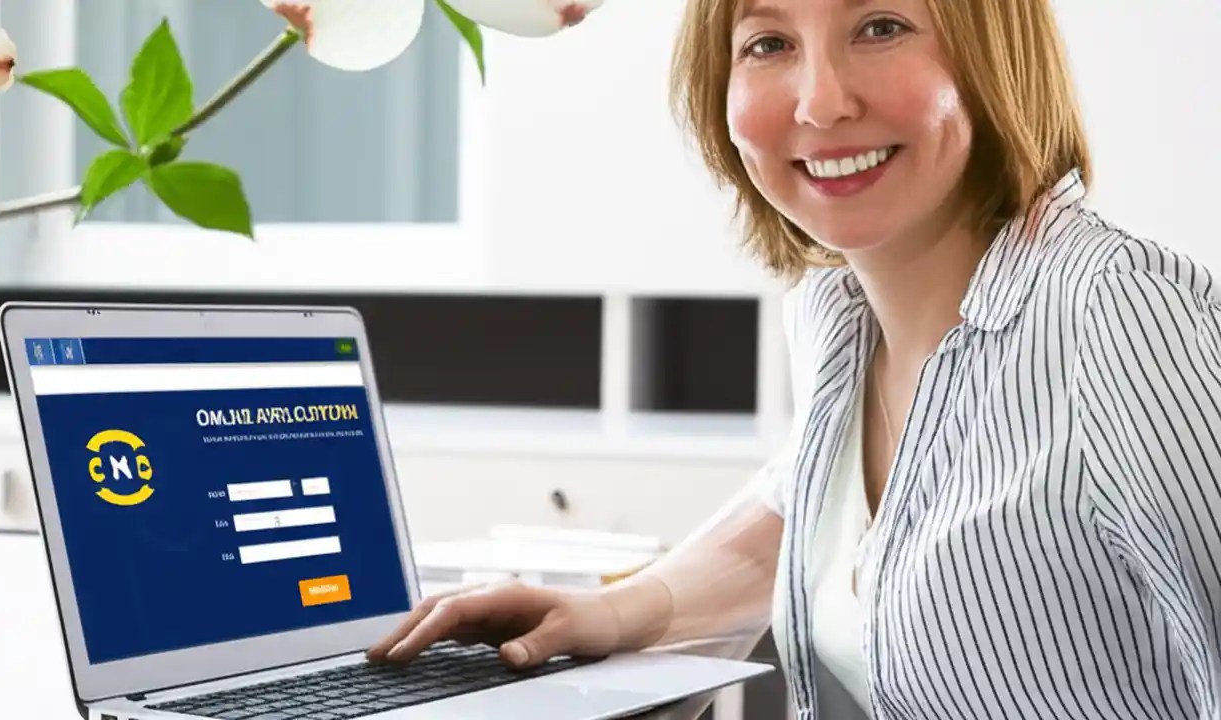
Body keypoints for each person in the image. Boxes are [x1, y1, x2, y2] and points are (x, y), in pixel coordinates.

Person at [369, 0, 1221, 716]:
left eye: (881, 26)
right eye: (768, 43)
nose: (819, 102)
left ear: (990, 53)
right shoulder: (839, 327)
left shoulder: (1121, 316)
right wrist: (611, 611)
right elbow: (793, 515)